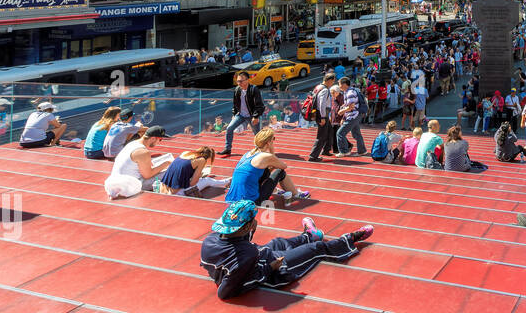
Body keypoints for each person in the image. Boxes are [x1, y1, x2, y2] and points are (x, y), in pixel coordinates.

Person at [199, 200, 374, 301]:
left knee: (278, 242)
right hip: (271, 272)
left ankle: (309, 235)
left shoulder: (211, 239)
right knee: (315, 249)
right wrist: (271, 268)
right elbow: (224, 292)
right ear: (246, 227)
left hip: (258, 257)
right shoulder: (245, 255)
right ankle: (349, 240)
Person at [226, 128, 309, 205]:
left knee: (264, 171)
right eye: (273, 139)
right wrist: (272, 149)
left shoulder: (248, 154)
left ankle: (275, 190)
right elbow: (283, 166)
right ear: (268, 142)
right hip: (251, 201)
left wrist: (271, 165)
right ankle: (296, 194)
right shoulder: (266, 156)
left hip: (231, 198)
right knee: (280, 172)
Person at [104, 126, 174, 198]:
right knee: (173, 170)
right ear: (153, 138)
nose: (159, 142)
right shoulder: (143, 152)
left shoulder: (133, 144)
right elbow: (147, 175)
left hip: (117, 182)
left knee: (163, 161)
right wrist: (167, 164)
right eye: (160, 139)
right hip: (130, 186)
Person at [221, 71, 263, 157]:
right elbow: (235, 104)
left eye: (241, 81)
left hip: (252, 115)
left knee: (257, 134)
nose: (239, 83)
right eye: (238, 81)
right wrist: (234, 114)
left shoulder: (253, 89)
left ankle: (259, 150)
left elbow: (259, 105)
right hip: (241, 115)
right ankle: (227, 149)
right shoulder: (237, 90)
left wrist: (256, 116)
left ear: (247, 80)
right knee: (229, 128)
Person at [157, 146, 228, 196]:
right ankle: (227, 181)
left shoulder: (185, 153)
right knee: (207, 180)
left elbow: (181, 171)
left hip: (162, 188)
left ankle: (227, 181)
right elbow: (193, 183)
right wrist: (199, 175)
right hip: (175, 193)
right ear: (208, 157)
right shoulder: (201, 160)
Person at [307, 72, 337, 162]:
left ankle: (326, 150)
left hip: (321, 113)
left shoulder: (318, 87)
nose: (333, 83)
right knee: (321, 135)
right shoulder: (324, 89)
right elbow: (322, 104)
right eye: (333, 81)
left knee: (329, 131)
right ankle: (313, 156)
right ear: (329, 80)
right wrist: (323, 117)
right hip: (322, 114)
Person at [335, 78, 367, 157]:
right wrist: (344, 117)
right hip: (355, 115)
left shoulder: (350, 93)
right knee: (356, 134)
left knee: (340, 133)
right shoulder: (349, 91)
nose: (339, 86)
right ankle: (362, 151)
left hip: (353, 116)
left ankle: (344, 151)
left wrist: (341, 112)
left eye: (339, 84)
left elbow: (351, 106)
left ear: (344, 84)